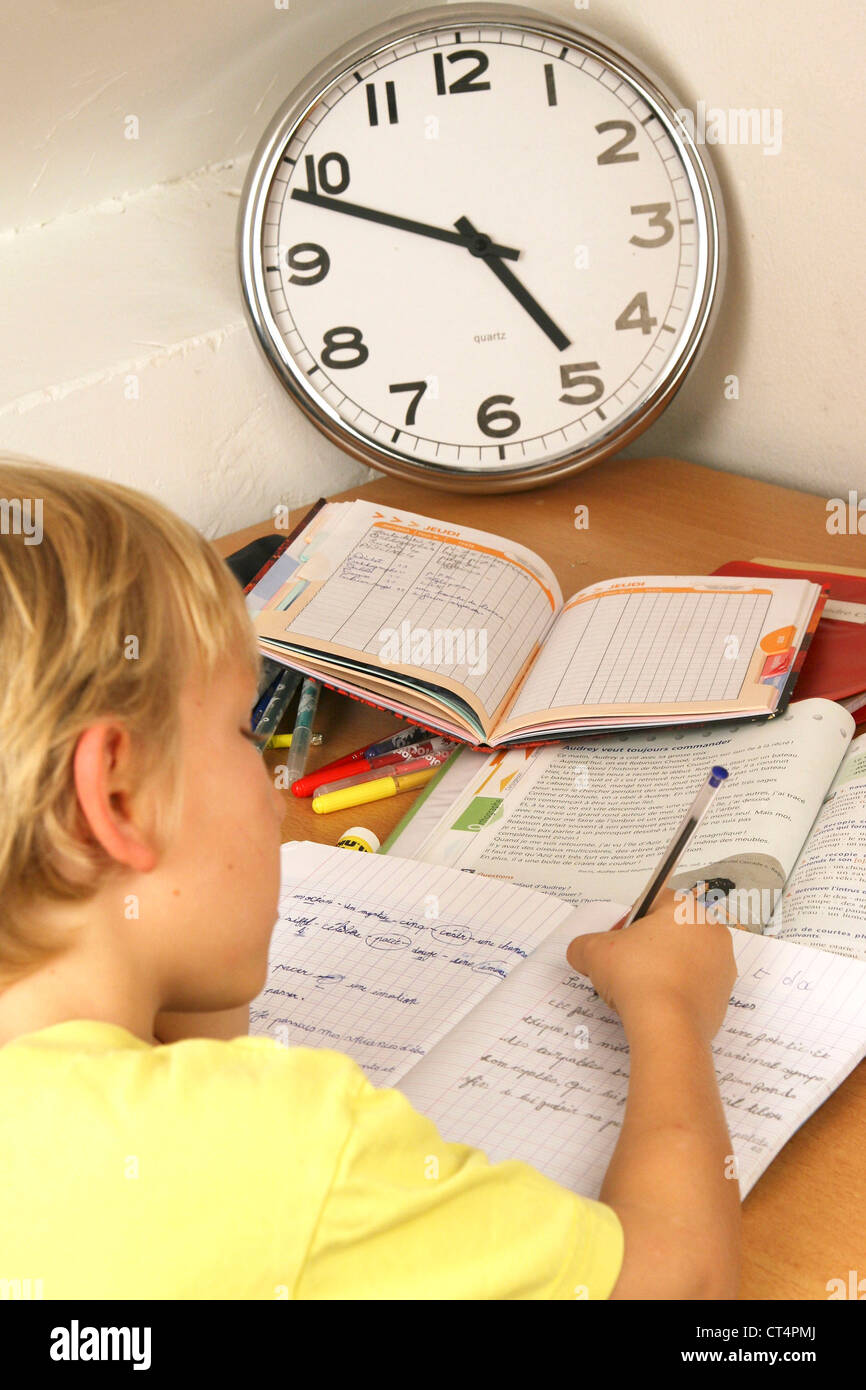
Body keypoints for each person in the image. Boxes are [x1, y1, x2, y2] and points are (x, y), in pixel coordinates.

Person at [0, 458, 739, 1299]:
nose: (272, 785)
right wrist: (671, 1007)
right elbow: (684, 1289)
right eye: (246, 733)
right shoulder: (266, 1146)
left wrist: (177, 982)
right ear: (118, 798)